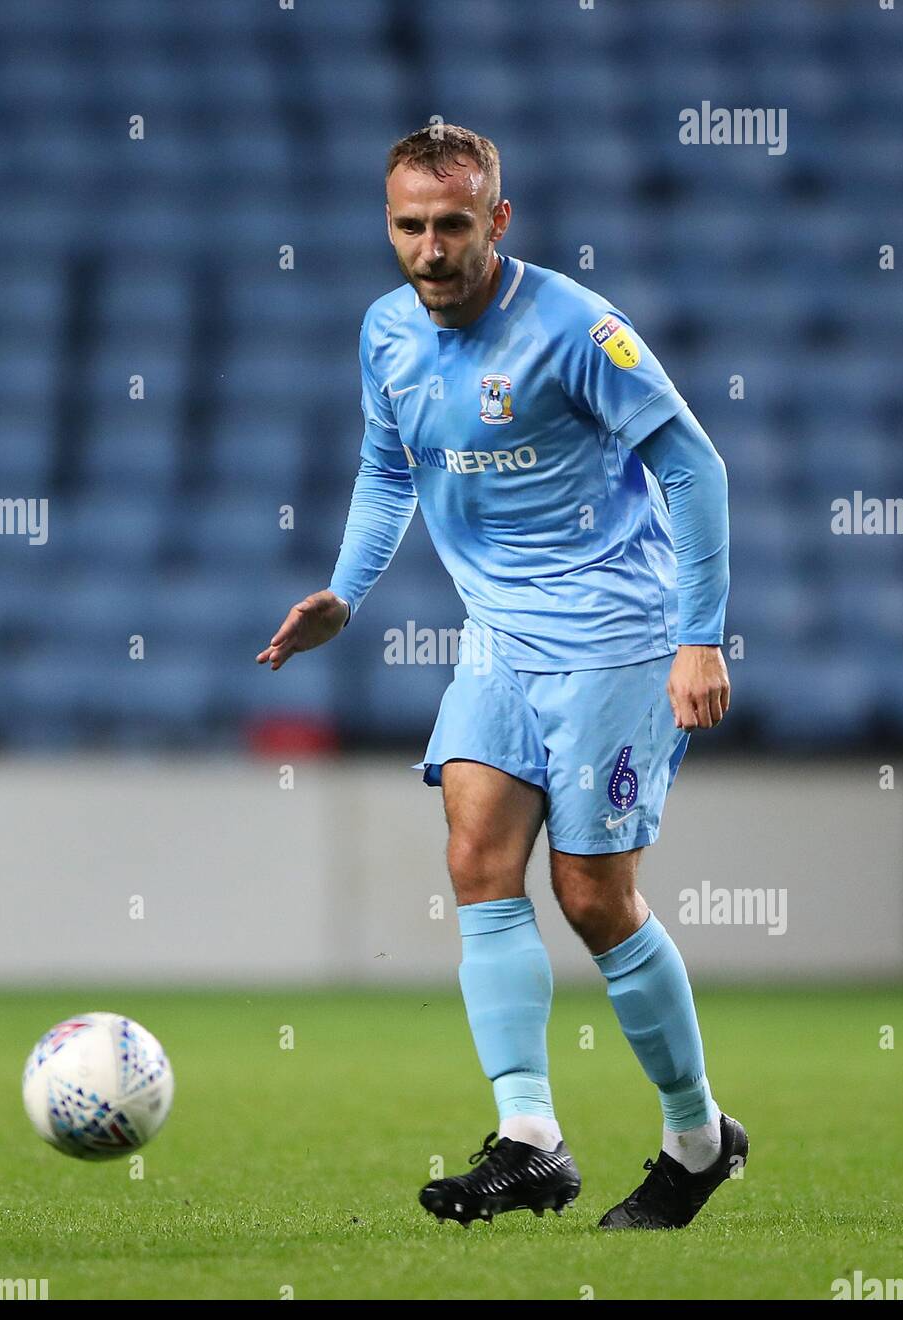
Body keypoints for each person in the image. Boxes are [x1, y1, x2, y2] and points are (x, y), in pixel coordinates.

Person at [257, 124, 747, 1230]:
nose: (429, 249)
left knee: (591, 899)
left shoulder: (576, 329)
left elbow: (695, 465)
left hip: (617, 637)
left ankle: (697, 1135)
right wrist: (346, 590)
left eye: (452, 225)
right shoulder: (385, 330)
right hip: (496, 640)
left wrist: (699, 635)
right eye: (408, 226)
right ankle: (531, 1138)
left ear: (499, 221)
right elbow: (389, 469)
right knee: (477, 858)